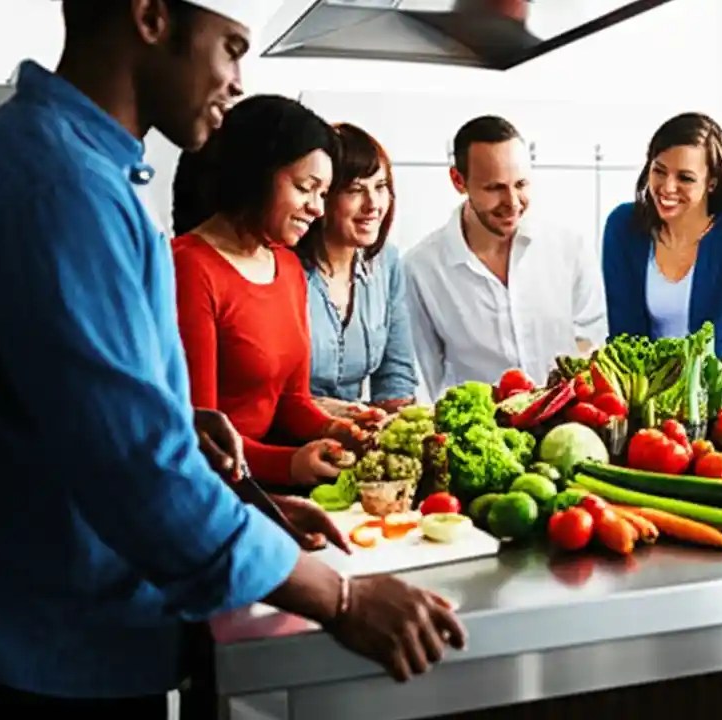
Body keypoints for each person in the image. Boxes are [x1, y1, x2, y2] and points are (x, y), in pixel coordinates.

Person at [0, 3, 464, 714]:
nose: (237, 81)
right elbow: (137, 471)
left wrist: (196, 436)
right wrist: (340, 596)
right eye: (231, 48)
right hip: (49, 654)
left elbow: (68, 410)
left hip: (74, 633)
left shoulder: (70, 167)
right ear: (149, 16)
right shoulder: (62, 188)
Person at [171, 94, 371, 490]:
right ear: (257, 174)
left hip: (269, 479)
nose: (317, 209)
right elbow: (203, 433)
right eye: (305, 188)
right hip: (215, 489)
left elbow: (291, 402)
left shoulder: (289, 266)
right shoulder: (189, 267)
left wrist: (340, 429)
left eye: (323, 194)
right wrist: (289, 465)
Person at [404, 114, 607, 399]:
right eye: (494, 188)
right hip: (485, 434)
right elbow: (422, 379)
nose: (512, 203)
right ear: (458, 180)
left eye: (521, 184)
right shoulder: (421, 269)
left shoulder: (569, 249)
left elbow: (593, 342)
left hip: (568, 423)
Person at [601, 112, 722, 386]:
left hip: (717, 397)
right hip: (647, 396)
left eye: (686, 178)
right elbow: (625, 338)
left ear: (711, 181)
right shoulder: (623, 227)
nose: (667, 188)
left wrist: (711, 410)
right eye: (659, 171)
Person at [293, 123, 418, 420]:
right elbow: (270, 392)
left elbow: (395, 373)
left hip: (357, 436)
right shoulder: (284, 268)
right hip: (289, 441)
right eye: (355, 190)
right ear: (323, 196)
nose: (373, 204)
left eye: (381, 186)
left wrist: (398, 430)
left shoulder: (386, 262)